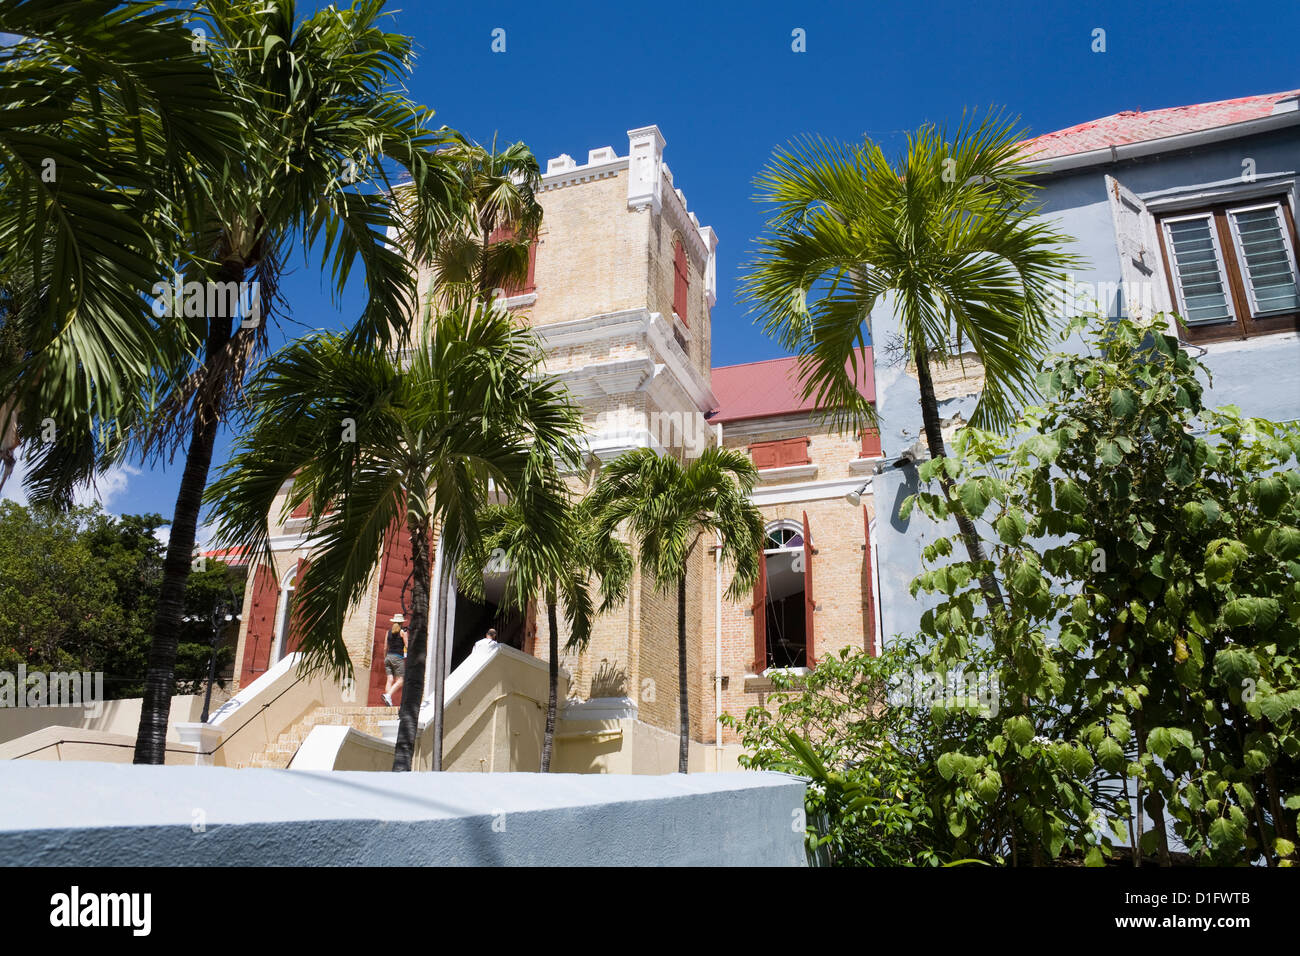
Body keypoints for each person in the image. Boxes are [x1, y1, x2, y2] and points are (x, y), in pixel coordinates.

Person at [383, 614, 407, 706]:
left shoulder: (388, 632)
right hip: (398, 658)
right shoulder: (402, 632)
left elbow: (385, 647)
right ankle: (388, 695)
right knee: (401, 680)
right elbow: (407, 645)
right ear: (402, 623)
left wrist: (385, 657)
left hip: (388, 657)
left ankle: (388, 700)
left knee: (390, 679)